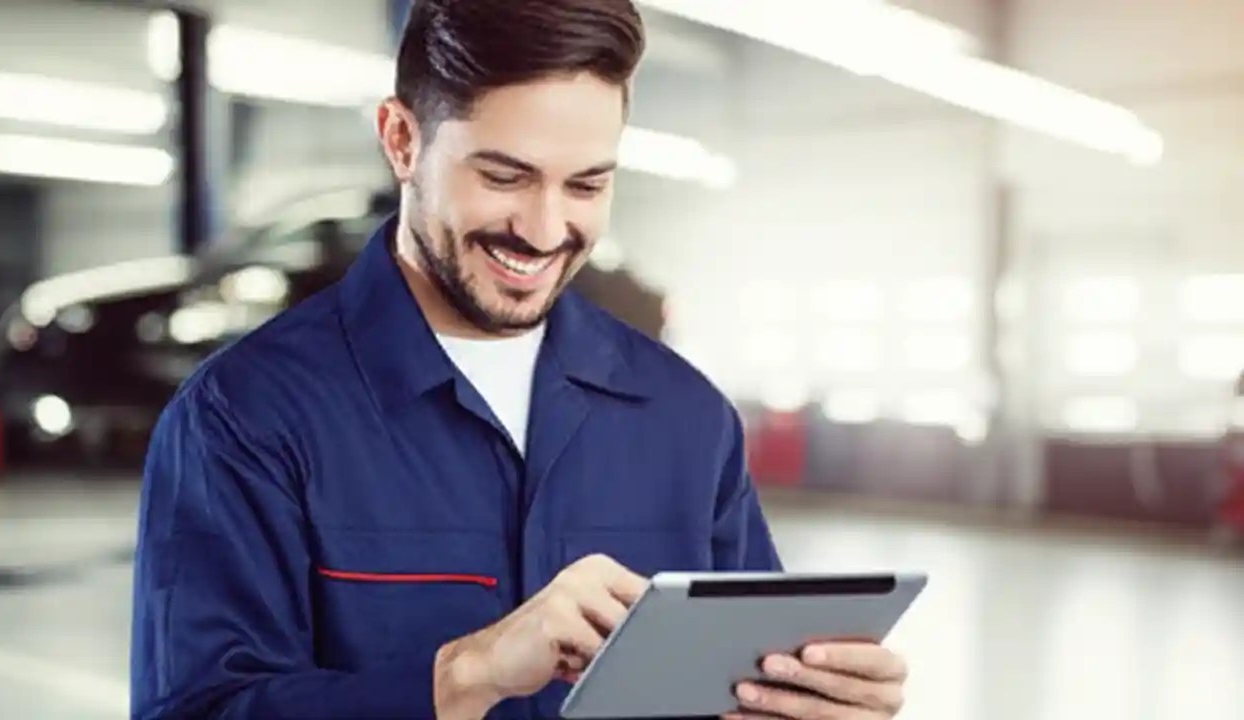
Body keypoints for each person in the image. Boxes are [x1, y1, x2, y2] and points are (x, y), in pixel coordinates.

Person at [129, 1, 911, 718]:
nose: (543, 229)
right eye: (505, 176)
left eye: (586, 185)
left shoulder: (687, 421)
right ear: (402, 140)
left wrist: (816, 701)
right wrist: (469, 673)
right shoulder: (245, 418)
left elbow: (743, 684)